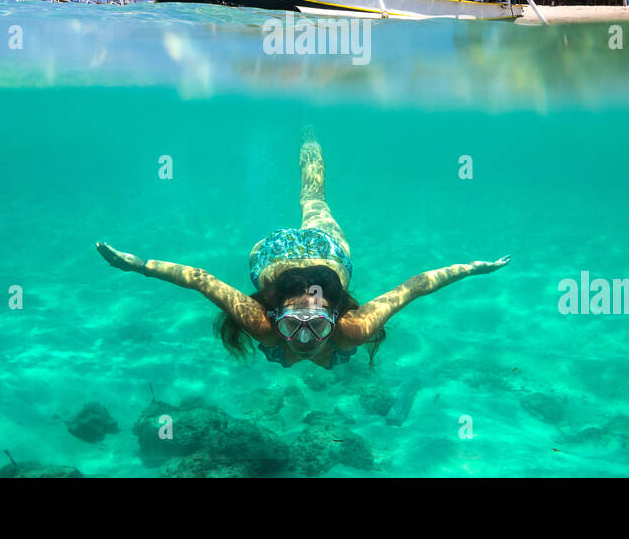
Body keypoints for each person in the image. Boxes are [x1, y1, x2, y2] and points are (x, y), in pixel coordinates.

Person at [97, 131, 510, 368]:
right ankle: (307, 138)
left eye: (314, 326)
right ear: (277, 312)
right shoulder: (301, 327)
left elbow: (418, 286)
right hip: (307, 253)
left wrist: (473, 268)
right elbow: (416, 286)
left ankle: (309, 139)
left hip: (290, 256)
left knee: (313, 199)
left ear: (334, 314)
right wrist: (138, 265)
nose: (305, 337)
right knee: (314, 200)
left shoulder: (282, 327)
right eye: (295, 325)